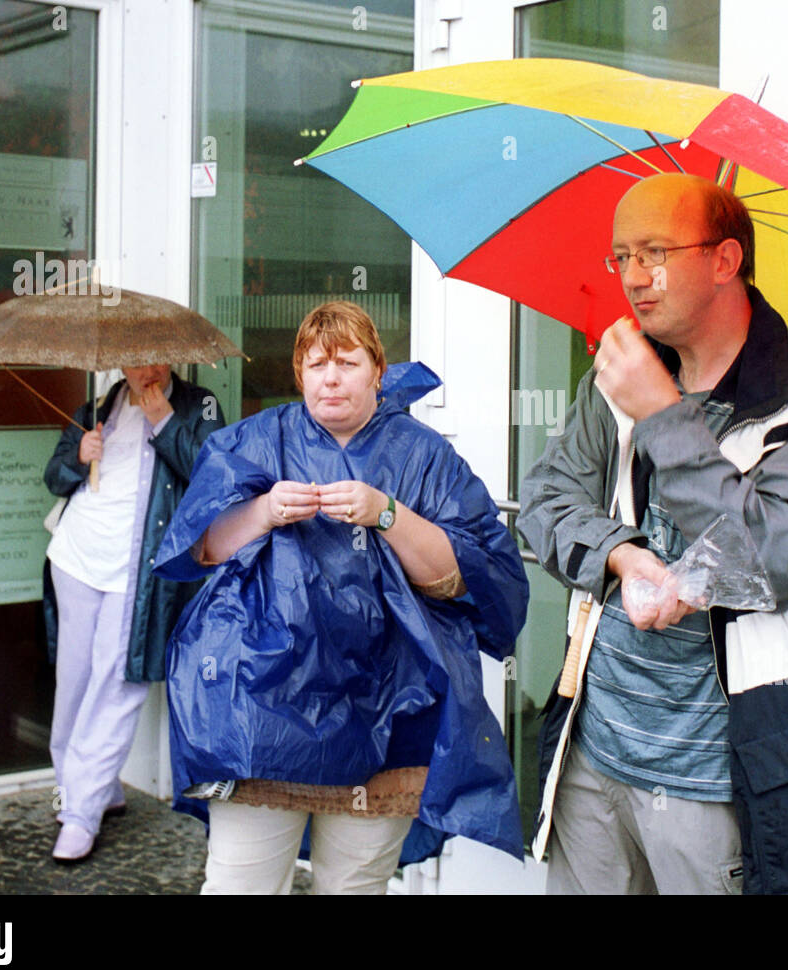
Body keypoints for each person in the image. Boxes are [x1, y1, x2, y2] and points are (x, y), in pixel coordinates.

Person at [518, 172, 788, 895]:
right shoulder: (616, 376)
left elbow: (779, 554)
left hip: (721, 779)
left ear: (724, 260)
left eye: (655, 251)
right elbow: (544, 499)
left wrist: (664, 414)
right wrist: (620, 555)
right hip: (593, 758)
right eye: (621, 256)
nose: (635, 278)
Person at [154, 300, 528, 895]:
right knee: (238, 884)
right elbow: (203, 548)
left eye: (348, 363)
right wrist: (265, 510)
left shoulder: (423, 456)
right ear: (299, 372)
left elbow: (468, 576)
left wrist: (387, 514)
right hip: (263, 705)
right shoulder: (257, 439)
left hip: (391, 704)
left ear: (378, 371)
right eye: (317, 363)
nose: (331, 377)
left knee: (353, 886)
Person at [43, 363, 223, 862]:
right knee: (75, 683)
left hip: (137, 572)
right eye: (133, 356)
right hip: (77, 561)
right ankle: (89, 788)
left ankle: (80, 812)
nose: (144, 365)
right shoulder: (99, 406)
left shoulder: (197, 405)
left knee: (116, 683)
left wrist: (165, 422)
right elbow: (54, 477)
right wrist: (78, 457)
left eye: (154, 354)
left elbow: (215, 477)